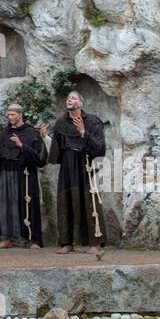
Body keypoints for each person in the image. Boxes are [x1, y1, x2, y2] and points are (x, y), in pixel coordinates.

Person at [40, 90, 106, 255]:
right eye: (68, 97)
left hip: (85, 163)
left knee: (89, 202)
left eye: (74, 97)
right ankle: (66, 243)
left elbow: (100, 147)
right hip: (68, 166)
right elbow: (56, 149)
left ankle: (94, 243)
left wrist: (84, 132)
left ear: (81, 103)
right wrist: (46, 138)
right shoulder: (61, 123)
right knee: (65, 202)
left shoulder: (92, 121)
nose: (70, 99)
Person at [0, 103, 47, 248]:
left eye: (13, 115)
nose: (10, 118)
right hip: (6, 172)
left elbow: (40, 159)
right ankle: (6, 238)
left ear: (20, 115)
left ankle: (34, 240)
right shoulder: (4, 133)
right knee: (5, 205)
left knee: (28, 205)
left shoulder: (32, 133)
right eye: (8, 115)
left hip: (24, 173)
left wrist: (22, 145)